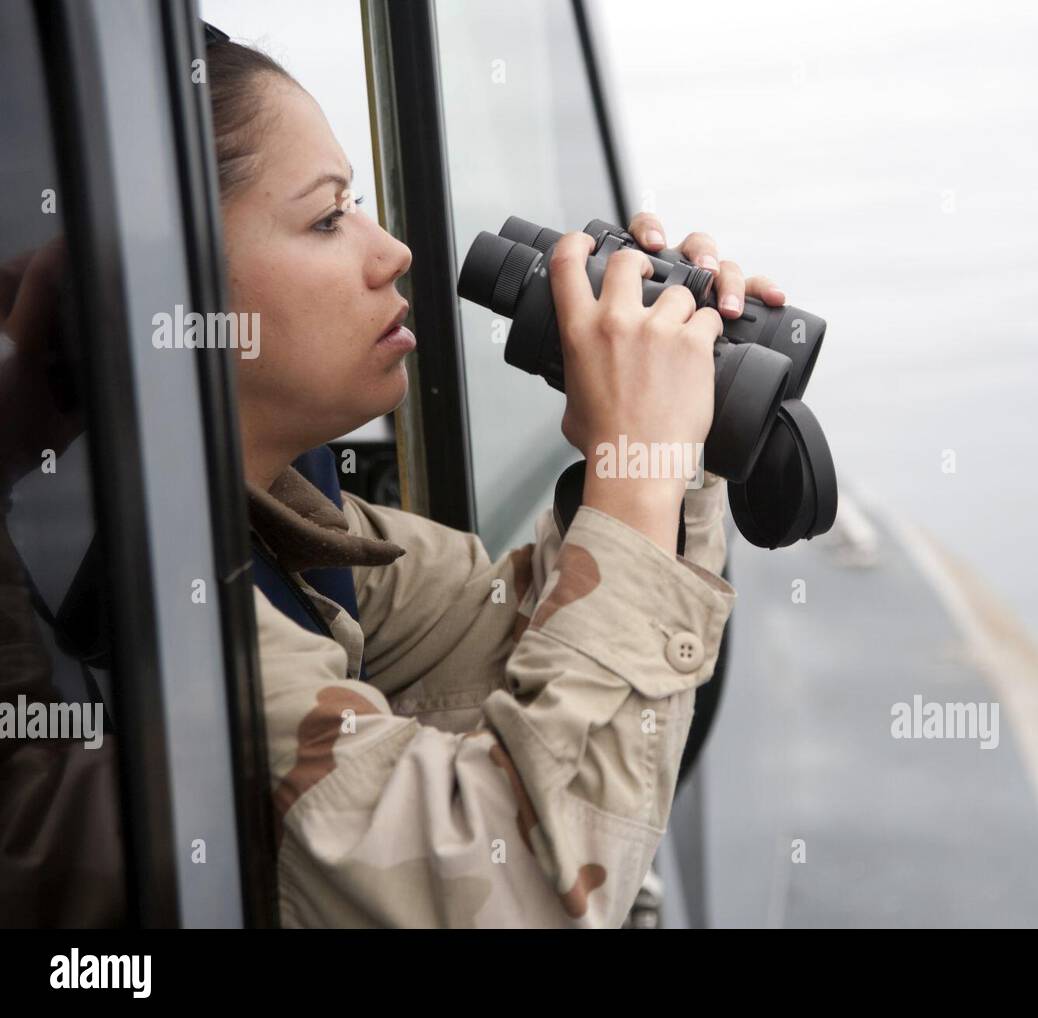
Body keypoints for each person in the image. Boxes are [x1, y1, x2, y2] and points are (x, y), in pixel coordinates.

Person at [205, 38, 788, 927]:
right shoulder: (192, 631)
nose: (392, 250)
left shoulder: (296, 531)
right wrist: (638, 467)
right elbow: (514, 889)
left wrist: (674, 436)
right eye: (328, 220)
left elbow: (523, 636)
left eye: (358, 205)